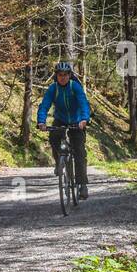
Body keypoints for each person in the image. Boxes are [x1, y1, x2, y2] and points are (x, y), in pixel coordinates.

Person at [37, 61, 91, 199]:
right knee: (53, 137)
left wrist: (84, 119)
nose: (63, 77)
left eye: (65, 75)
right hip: (60, 119)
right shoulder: (53, 89)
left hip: (77, 121)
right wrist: (41, 121)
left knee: (79, 152)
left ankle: (82, 185)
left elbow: (84, 103)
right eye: (60, 75)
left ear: (69, 75)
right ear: (56, 76)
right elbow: (44, 105)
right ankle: (58, 161)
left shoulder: (75, 87)